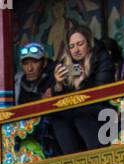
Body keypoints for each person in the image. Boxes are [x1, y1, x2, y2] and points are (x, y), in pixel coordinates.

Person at [50, 26, 116, 154]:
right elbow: (61, 99)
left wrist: (82, 84)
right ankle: (73, 163)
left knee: (82, 115)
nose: (76, 50)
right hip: (78, 110)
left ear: (89, 43)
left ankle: (98, 157)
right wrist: (58, 84)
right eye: (72, 46)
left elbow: (101, 91)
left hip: (102, 108)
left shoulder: (101, 58)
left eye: (80, 44)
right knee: (59, 120)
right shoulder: (68, 65)